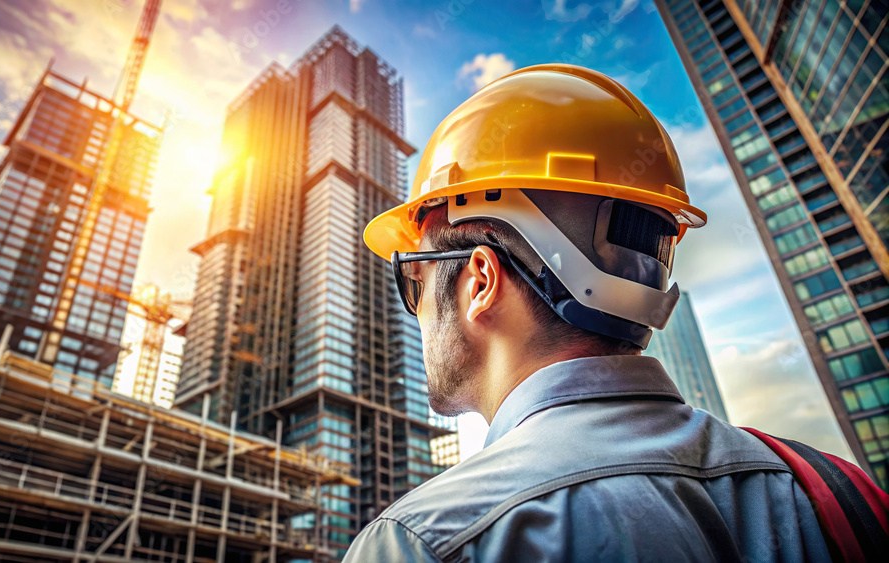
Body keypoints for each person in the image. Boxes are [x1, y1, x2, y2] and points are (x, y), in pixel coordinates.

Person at [343, 64, 849, 562]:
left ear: (480, 280)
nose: (418, 310)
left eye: (416, 281)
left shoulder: (420, 543)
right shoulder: (838, 494)